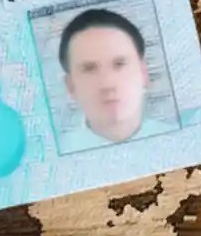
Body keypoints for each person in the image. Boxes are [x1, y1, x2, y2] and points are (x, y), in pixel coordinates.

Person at [56, 8, 176, 154]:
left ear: (143, 73)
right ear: (70, 86)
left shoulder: (180, 142)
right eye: (89, 69)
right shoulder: (56, 158)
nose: (107, 83)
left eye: (119, 64)